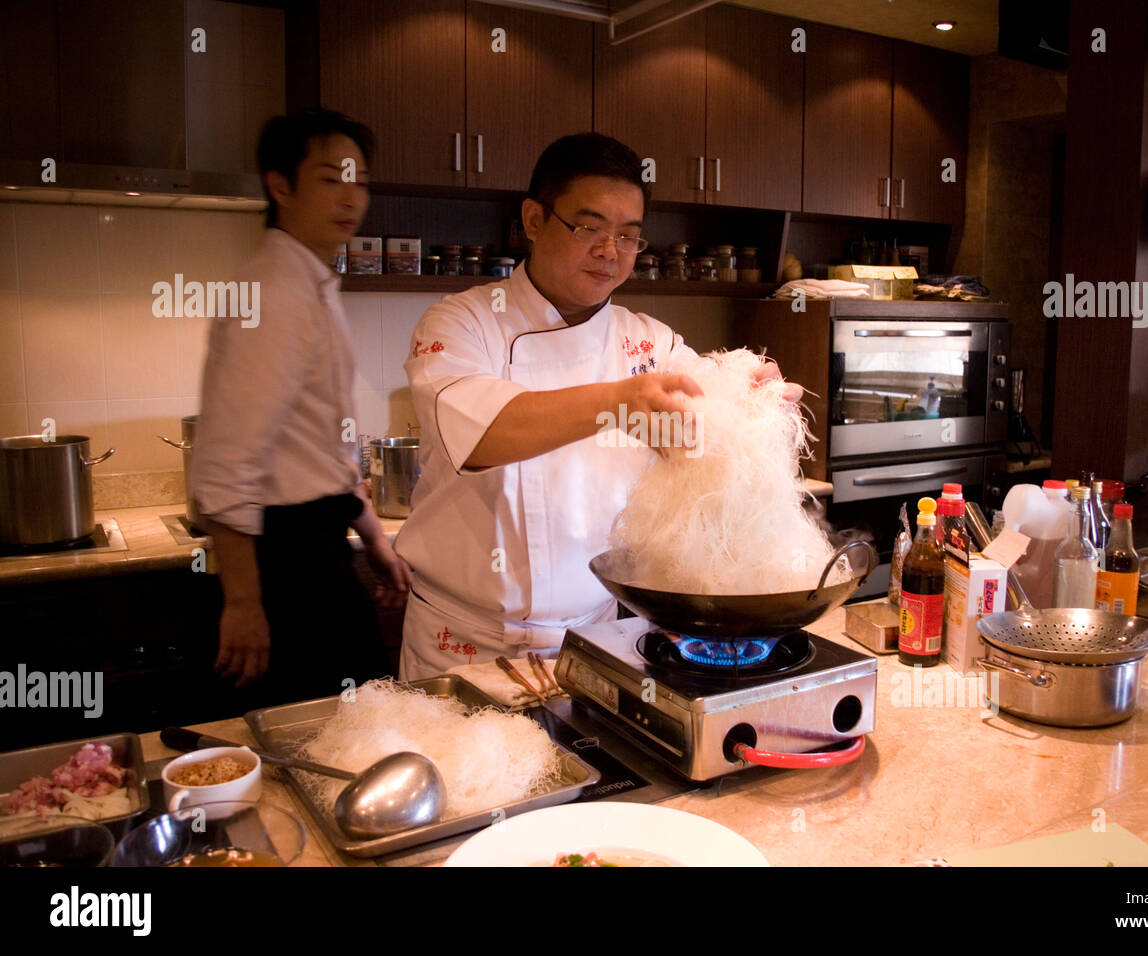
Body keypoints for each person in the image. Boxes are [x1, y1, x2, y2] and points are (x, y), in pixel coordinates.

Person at [397, 133, 797, 677]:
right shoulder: (460, 324)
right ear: (534, 220)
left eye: (629, 237)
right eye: (590, 228)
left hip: (597, 636)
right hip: (464, 642)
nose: (610, 253)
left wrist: (751, 399)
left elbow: (705, 428)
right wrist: (619, 401)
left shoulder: (651, 344)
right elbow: (484, 433)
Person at [191, 109, 410, 706]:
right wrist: (242, 602)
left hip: (319, 547)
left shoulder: (312, 283)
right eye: (330, 178)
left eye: (360, 180)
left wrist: (374, 538)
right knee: (321, 738)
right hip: (284, 565)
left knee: (354, 729)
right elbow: (224, 466)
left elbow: (327, 446)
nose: (350, 197)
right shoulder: (271, 292)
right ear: (279, 184)